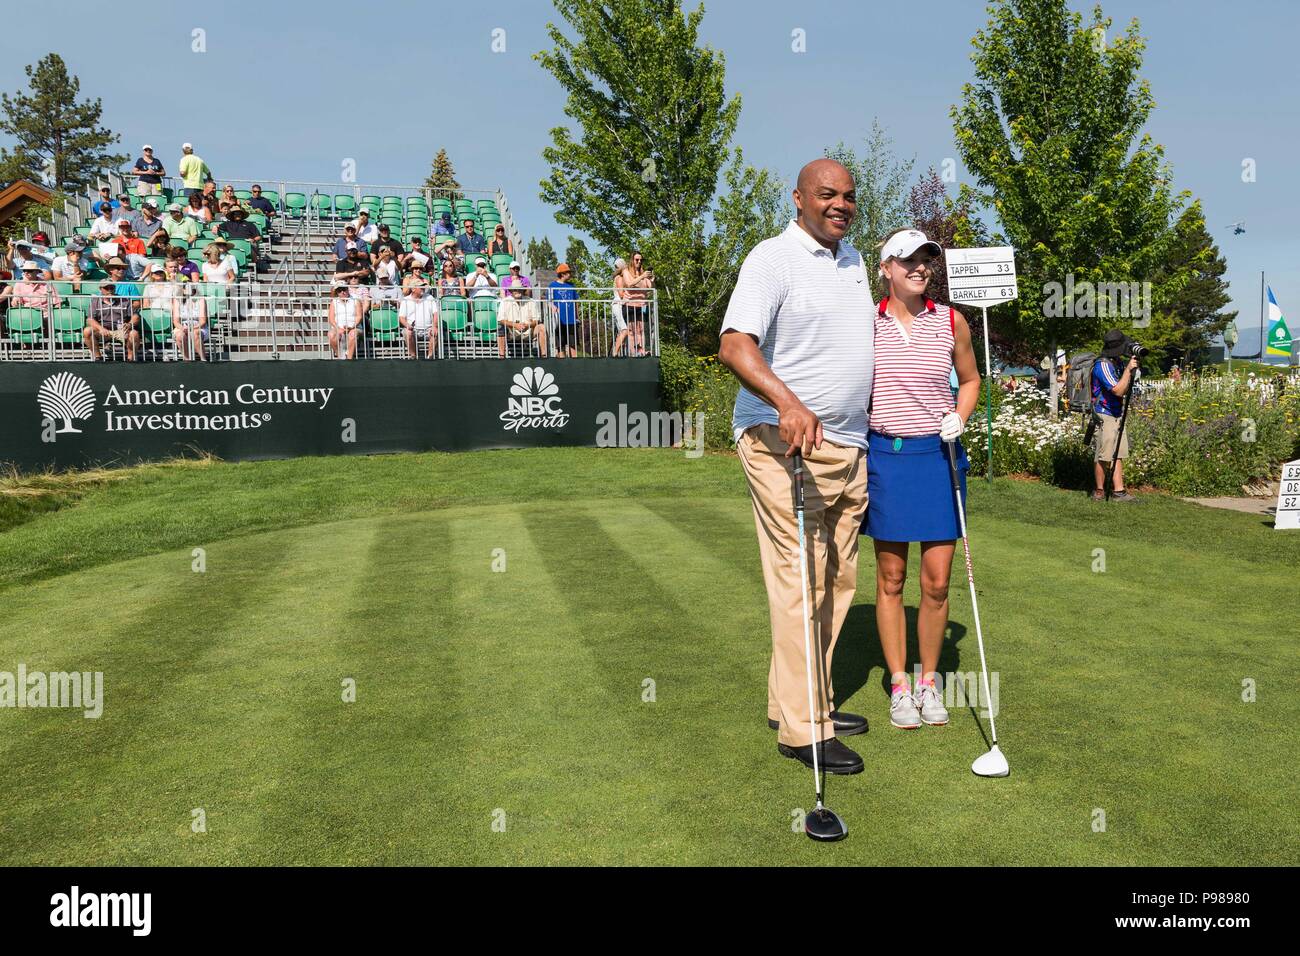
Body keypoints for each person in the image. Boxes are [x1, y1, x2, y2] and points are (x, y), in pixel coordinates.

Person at [717, 158, 875, 775]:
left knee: (837, 580)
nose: (840, 204)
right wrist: (787, 402)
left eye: (849, 196)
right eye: (827, 194)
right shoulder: (771, 258)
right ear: (800, 199)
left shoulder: (856, 262)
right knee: (799, 578)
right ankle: (803, 728)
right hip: (783, 443)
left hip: (849, 444)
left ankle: (802, 700)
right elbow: (734, 343)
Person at [863, 228, 981, 731]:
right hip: (886, 460)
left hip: (938, 458)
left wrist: (962, 414)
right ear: (886, 267)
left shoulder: (952, 321)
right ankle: (899, 685)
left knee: (936, 583)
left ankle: (929, 681)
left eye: (927, 260)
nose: (919, 268)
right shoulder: (864, 322)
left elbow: (971, 379)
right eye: (907, 260)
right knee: (891, 580)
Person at [1091, 329, 1140, 502]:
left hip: (1117, 413)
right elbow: (1118, 390)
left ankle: (1119, 492)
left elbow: (1125, 386)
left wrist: (1132, 370)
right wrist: (1128, 370)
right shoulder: (1102, 365)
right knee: (1104, 455)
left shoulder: (1116, 362)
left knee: (1117, 453)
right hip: (1105, 414)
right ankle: (1099, 491)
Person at [83, 277, 141, 361]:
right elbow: (90, 319)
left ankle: (130, 359)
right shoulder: (95, 301)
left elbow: (135, 316)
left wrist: (129, 324)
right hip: (102, 330)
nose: (109, 290)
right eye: (106, 288)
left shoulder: (124, 300)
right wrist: (101, 328)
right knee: (87, 331)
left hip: (121, 330)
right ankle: (98, 358)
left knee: (134, 333)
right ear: (101, 289)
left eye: (112, 288)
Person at [496, 283, 547, 358]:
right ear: (511, 291)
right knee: (500, 329)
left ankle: (544, 356)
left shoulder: (531, 301)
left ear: (522, 290)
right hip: (511, 332)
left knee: (541, 327)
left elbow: (537, 320)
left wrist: (527, 325)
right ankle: (501, 358)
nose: (517, 291)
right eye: (515, 289)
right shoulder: (504, 301)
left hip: (529, 331)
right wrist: (515, 325)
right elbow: (501, 320)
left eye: (519, 289)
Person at [619, 251, 654, 355]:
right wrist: (642, 277)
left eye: (641, 260)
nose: (639, 262)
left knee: (641, 330)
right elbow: (629, 284)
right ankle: (633, 353)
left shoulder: (643, 272)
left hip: (642, 305)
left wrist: (651, 280)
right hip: (630, 305)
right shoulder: (626, 271)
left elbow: (650, 288)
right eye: (637, 260)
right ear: (632, 260)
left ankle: (641, 351)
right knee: (631, 330)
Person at [399, 277, 440, 359]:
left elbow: (436, 314)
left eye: (423, 286)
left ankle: (430, 357)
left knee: (435, 331)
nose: (423, 288)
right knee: (407, 333)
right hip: (412, 329)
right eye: (421, 287)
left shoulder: (430, 297)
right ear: (413, 289)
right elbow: (401, 318)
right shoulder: (405, 300)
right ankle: (413, 356)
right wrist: (407, 325)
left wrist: (434, 326)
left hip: (428, 328)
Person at [548, 263, 581, 357]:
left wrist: (577, 317)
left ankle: (575, 364)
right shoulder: (552, 285)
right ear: (562, 274)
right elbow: (548, 301)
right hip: (559, 320)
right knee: (560, 345)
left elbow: (576, 302)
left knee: (573, 343)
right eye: (568, 272)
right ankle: (562, 365)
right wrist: (552, 307)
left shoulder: (572, 285)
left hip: (571, 320)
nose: (570, 274)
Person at [170, 278, 208, 361]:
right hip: (182, 326)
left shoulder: (201, 300)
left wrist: (192, 328)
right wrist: (183, 328)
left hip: (198, 327)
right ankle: (187, 359)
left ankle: (203, 359)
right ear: (183, 289)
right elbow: (176, 321)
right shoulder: (177, 300)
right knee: (180, 336)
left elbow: (203, 321)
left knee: (195, 333)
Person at [328, 284, 363, 359]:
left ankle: (349, 360)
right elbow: (331, 319)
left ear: (347, 289)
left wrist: (352, 327)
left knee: (352, 334)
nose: (342, 292)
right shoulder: (334, 302)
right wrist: (338, 328)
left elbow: (359, 316)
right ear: (337, 292)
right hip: (338, 328)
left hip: (355, 327)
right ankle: (340, 357)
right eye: (339, 291)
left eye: (344, 289)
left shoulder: (356, 299)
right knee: (331, 335)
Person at [610, 257, 630, 357]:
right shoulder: (619, 278)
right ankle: (615, 352)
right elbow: (621, 294)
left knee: (621, 331)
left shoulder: (618, 278)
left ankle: (617, 353)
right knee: (624, 330)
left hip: (618, 306)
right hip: (618, 305)